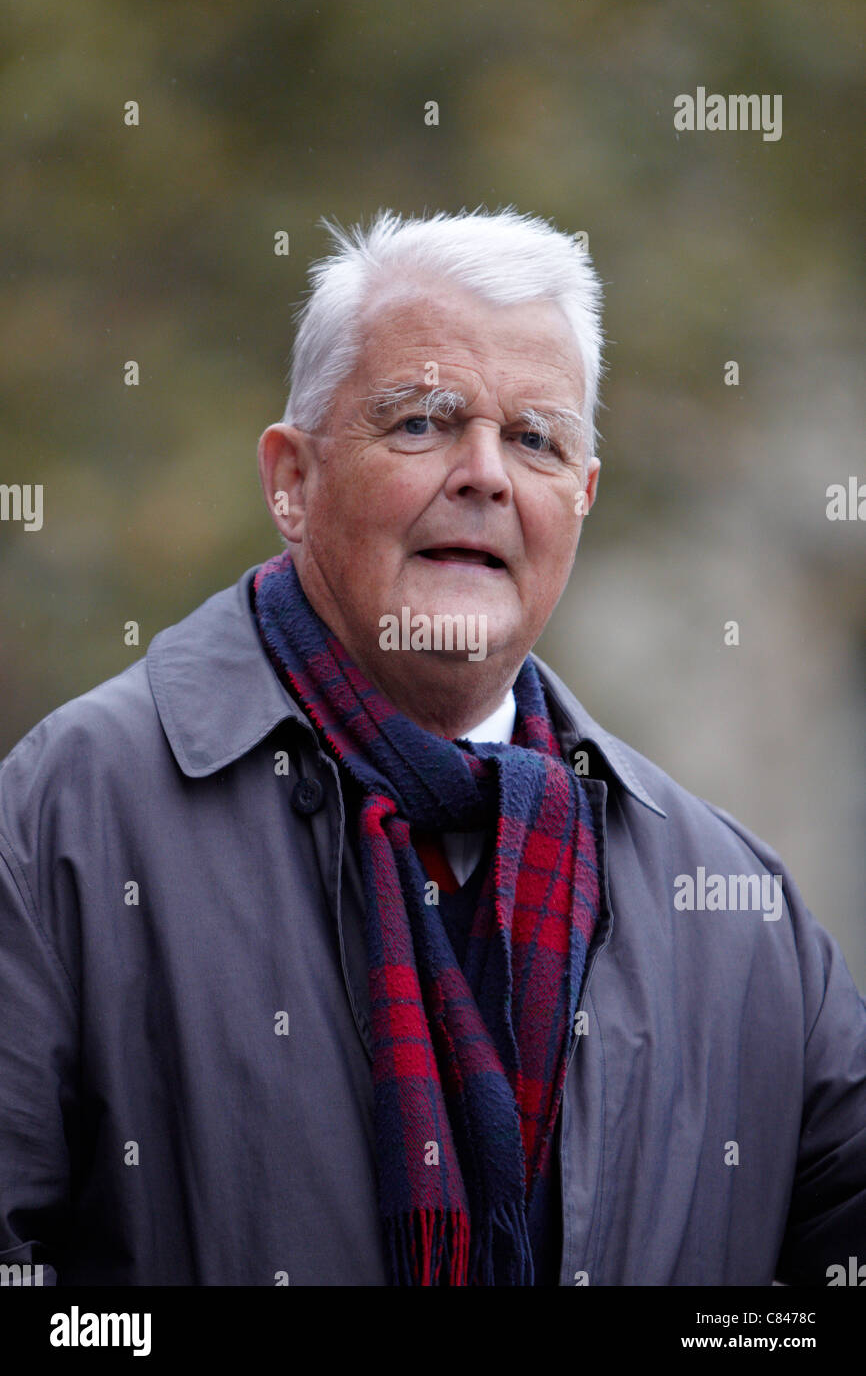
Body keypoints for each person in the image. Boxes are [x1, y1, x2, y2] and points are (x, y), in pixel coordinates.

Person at [0, 208, 863, 1287]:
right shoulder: (64, 817)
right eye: (420, 423)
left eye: (535, 439)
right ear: (292, 481)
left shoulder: (731, 906)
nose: (485, 475)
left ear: (579, 501)